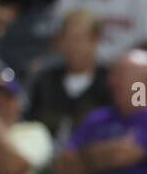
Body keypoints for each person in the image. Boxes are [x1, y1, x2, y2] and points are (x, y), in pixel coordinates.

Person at [26, 9, 111, 143]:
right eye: (68, 39)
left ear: (95, 41)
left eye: (80, 39)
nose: (74, 46)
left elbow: (137, 108)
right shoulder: (44, 80)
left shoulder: (112, 81)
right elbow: (30, 124)